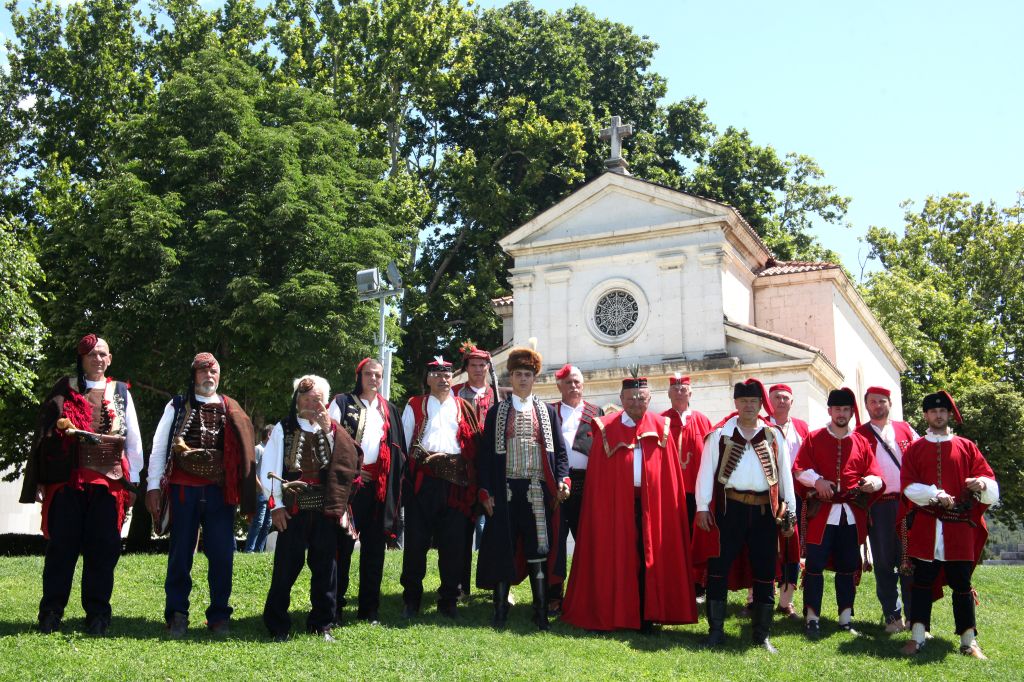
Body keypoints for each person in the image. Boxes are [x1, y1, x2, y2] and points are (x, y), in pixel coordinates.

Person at [20, 334, 144, 635]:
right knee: (61, 549)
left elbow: (133, 442)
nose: (97, 359)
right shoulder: (64, 389)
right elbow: (44, 435)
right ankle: (51, 612)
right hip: (68, 483)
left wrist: (133, 483)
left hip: (108, 484)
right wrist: (41, 478)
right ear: (82, 359)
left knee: (103, 550)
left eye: (102, 354)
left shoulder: (121, 392)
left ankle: (98, 614)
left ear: (109, 359)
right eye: (92, 354)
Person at [562, 372, 697, 633]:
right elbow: (599, 477)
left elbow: (669, 473)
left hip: (653, 505)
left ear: (650, 399)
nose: (636, 402)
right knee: (617, 557)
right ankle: (616, 612)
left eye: (641, 397)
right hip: (615, 505)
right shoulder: (605, 427)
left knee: (649, 557)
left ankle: (648, 615)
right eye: (631, 397)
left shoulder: (661, 426)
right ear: (621, 399)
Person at [145, 352, 256, 638]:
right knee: (181, 553)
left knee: (222, 554)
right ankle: (177, 614)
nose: (209, 376)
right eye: (203, 371)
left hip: (220, 491)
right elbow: (159, 447)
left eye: (213, 371)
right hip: (183, 490)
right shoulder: (177, 405)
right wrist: (153, 486)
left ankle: (219, 615)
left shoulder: (230, 407)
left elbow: (245, 450)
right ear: (194, 375)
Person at [691, 378, 796, 652]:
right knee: (718, 570)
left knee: (765, 571)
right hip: (729, 510)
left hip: (764, 513)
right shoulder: (720, 435)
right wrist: (702, 506)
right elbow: (706, 471)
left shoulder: (773, 435)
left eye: (753, 401)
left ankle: (762, 635)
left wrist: (790, 511)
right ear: (736, 403)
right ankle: (716, 632)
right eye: (744, 401)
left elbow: (784, 475)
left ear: (761, 404)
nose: (749, 406)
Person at [899, 391, 998, 659]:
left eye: (943, 411)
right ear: (926, 415)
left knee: (961, 583)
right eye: (933, 411)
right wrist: (934, 494)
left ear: (949, 414)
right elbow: (908, 485)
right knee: (921, 581)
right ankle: (917, 636)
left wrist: (981, 483)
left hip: (959, 529)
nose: (938, 415)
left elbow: (990, 481)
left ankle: (969, 641)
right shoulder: (915, 449)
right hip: (927, 527)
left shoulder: (967, 447)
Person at [261, 376, 359, 641]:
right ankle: (277, 625)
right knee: (285, 568)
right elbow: (269, 469)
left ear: (325, 402)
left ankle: (322, 624)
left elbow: (350, 462)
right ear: (297, 400)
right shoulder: (283, 428)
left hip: (325, 510)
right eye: (305, 398)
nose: (310, 404)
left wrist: (329, 431)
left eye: (316, 399)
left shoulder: (334, 430)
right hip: (293, 509)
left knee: (326, 568)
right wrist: (276, 506)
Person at [476, 348, 569, 630]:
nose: (523, 379)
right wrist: (485, 491)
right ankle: (500, 610)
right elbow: (485, 456)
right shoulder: (496, 412)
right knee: (502, 548)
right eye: (518, 374)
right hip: (504, 490)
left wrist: (563, 480)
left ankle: (540, 613)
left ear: (534, 378)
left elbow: (560, 454)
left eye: (528, 374)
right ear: (511, 378)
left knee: (538, 550)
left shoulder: (548, 412)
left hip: (537, 491)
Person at [793, 387, 882, 639]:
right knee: (814, 566)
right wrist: (818, 481)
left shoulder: (862, 442)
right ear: (829, 411)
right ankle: (812, 619)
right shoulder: (814, 438)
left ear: (851, 412)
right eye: (837, 409)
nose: (841, 413)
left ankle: (845, 620)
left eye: (845, 409)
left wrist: (872, 482)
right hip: (821, 514)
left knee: (848, 566)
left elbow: (875, 473)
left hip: (851, 514)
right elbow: (799, 469)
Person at [399, 356, 480, 619]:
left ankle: (449, 600)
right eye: (437, 375)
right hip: (423, 482)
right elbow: (403, 445)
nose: (443, 379)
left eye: (447, 375)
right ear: (428, 379)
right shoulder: (415, 404)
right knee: (415, 542)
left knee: (454, 544)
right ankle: (411, 599)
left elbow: (474, 445)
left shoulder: (464, 407)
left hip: (456, 484)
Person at [331, 357, 407, 624]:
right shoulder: (342, 403)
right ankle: (334, 608)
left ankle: (369, 610)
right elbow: (329, 441)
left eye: (378, 375)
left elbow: (400, 453)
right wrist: (353, 471)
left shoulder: (390, 409)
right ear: (359, 376)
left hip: (379, 489)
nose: (374, 379)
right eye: (369, 374)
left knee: (375, 550)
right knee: (342, 548)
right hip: (350, 489)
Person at [855, 385, 919, 633]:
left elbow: (920, 457)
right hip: (879, 506)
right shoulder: (859, 434)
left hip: (907, 504)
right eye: (873, 401)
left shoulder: (906, 429)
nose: (877, 405)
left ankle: (915, 617)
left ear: (889, 404)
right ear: (866, 405)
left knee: (909, 561)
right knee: (883, 562)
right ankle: (892, 617)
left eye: (882, 401)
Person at [548, 363, 604, 614]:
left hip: (586, 487)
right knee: (555, 542)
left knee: (587, 542)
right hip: (557, 486)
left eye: (577, 382)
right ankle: (554, 596)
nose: (573, 386)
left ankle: (586, 595)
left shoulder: (596, 412)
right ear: (559, 385)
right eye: (568, 382)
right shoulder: (550, 411)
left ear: (583, 385)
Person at [450, 342, 497, 601]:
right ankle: (459, 586)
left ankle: (496, 584)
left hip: (492, 468)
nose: (478, 369)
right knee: (461, 529)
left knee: (495, 528)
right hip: (464, 468)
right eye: (474, 365)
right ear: (466, 368)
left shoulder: (499, 395)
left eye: (482, 365)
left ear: (488, 367)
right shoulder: (454, 394)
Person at [659, 373, 712, 599]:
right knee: (672, 538)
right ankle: (674, 582)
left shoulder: (702, 420)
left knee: (696, 537)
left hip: (696, 491)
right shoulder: (661, 421)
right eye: (675, 389)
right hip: (670, 492)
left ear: (690, 393)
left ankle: (698, 584)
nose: (679, 392)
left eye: (683, 389)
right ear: (668, 393)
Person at [768, 383, 809, 619]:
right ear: (769, 401)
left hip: (795, 495)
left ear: (792, 402)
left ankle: (786, 600)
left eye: (785, 398)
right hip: (768, 494)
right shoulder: (761, 425)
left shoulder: (802, 428)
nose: (781, 401)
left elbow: (808, 459)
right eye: (777, 397)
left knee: (791, 546)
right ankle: (757, 597)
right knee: (763, 544)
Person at [244, 425, 275, 553]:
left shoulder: (272, 452)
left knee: (268, 523)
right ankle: (249, 550)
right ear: (269, 434)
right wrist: (260, 488)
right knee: (258, 522)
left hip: (271, 492)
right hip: (260, 492)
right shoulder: (258, 449)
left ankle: (259, 551)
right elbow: (252, 471)